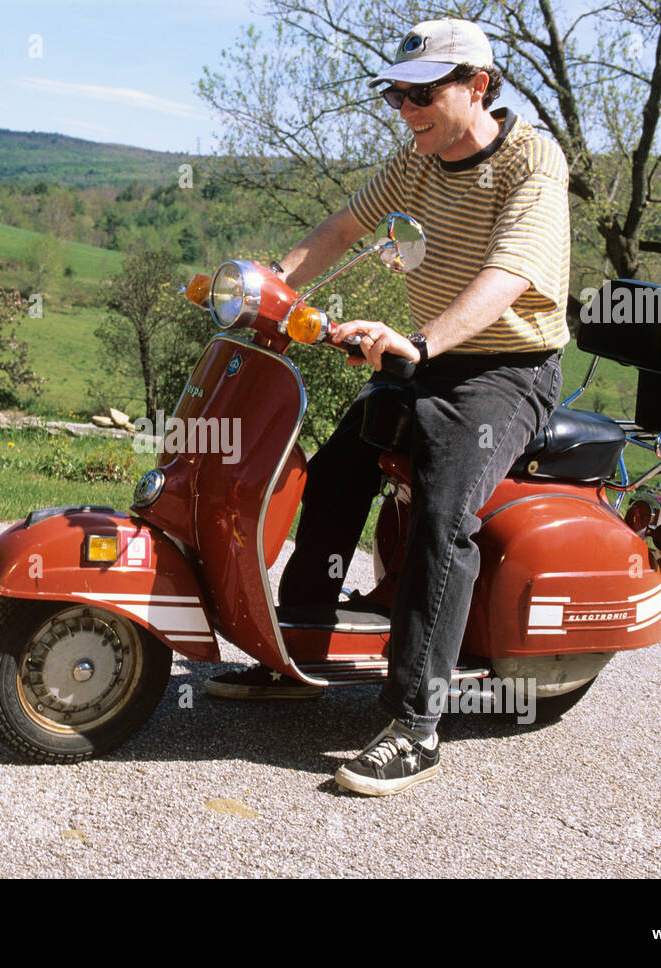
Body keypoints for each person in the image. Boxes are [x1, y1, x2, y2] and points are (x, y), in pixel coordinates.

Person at [204, 18, 571, 796]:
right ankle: (299, 646)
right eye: (395, 92)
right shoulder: (418, 159)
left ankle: (416, 724)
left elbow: (508, 277)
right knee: (334, 472)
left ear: (477, 85)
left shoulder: (532, 162)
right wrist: (266, 289)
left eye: (422, 92)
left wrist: (422, 342)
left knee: (444, 512)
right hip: (423, 357)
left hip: (503, 371)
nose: (405, 107)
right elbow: (344, 227)